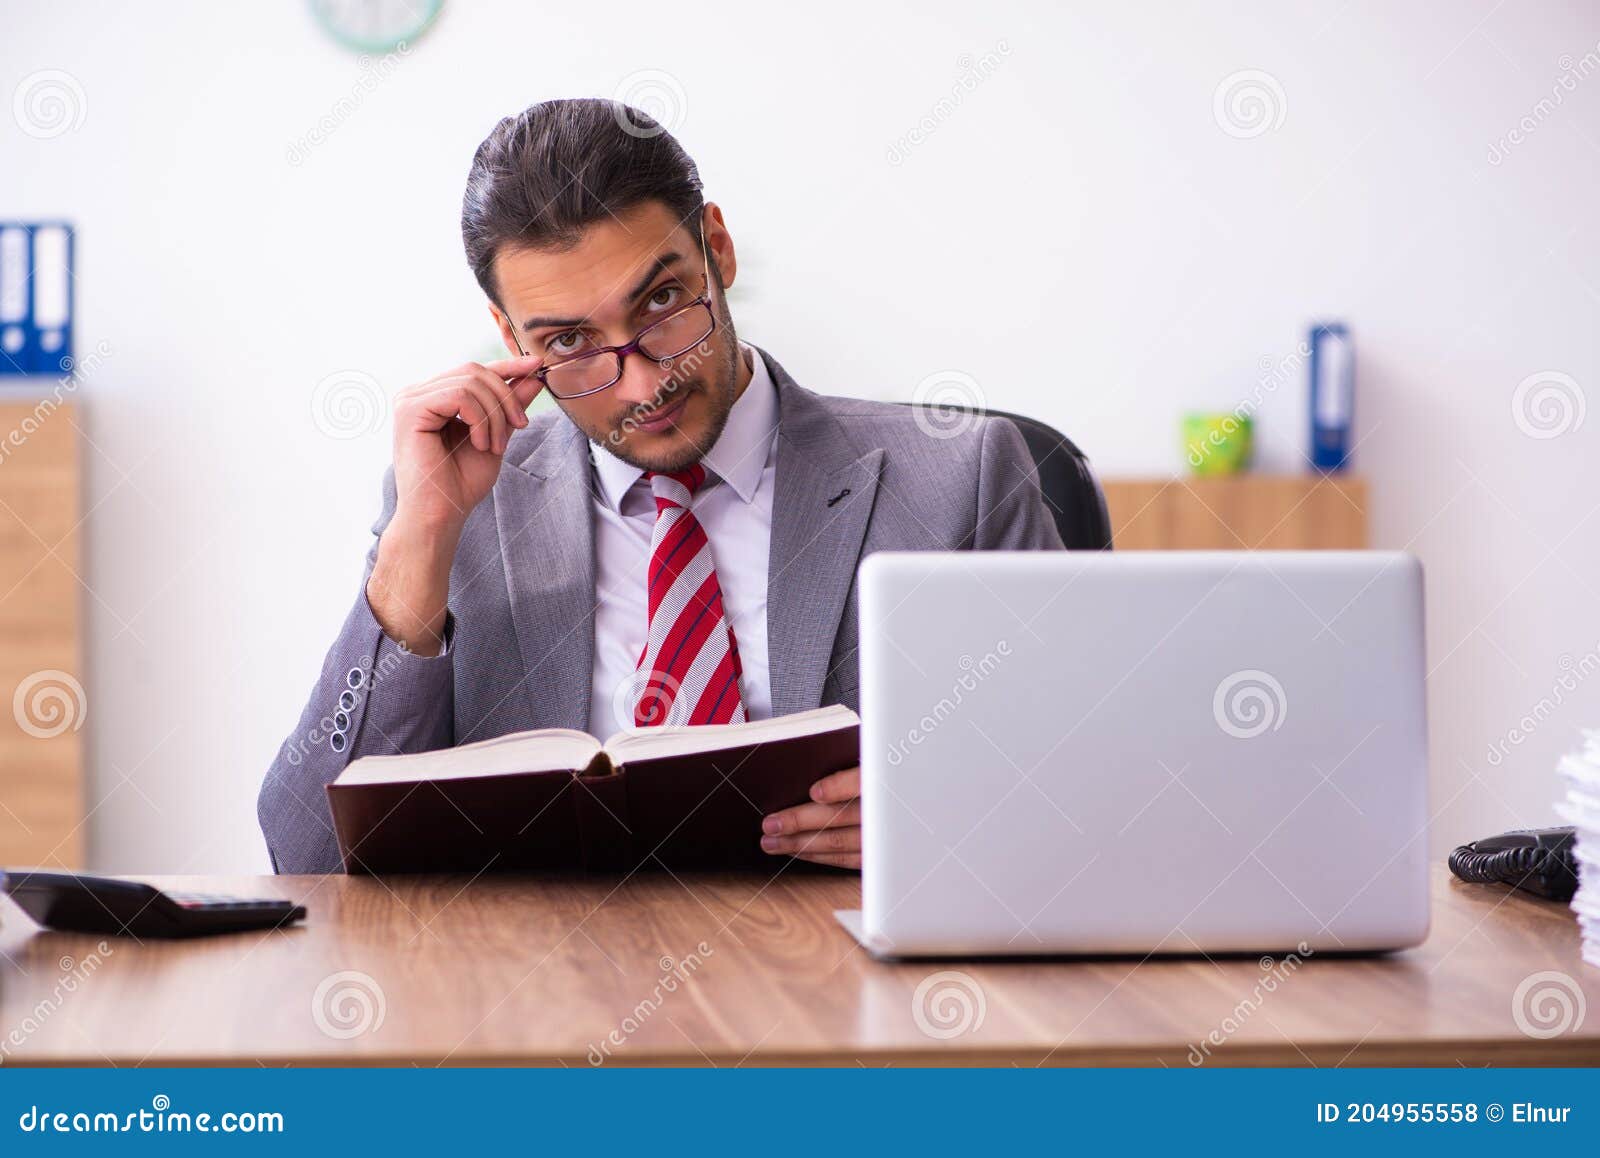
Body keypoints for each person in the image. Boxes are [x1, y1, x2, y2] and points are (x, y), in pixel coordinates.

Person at [258, 97, 1064, 874]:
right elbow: (308, 855)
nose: (642, 383)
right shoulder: (455, 511)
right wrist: (419, 542)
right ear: (511, 339)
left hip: (841, 988)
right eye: (571, 341)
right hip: (548, 993)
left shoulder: (964, 479)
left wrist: (955, 817)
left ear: (718, 247)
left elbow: (1095, 790)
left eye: (663, 301)